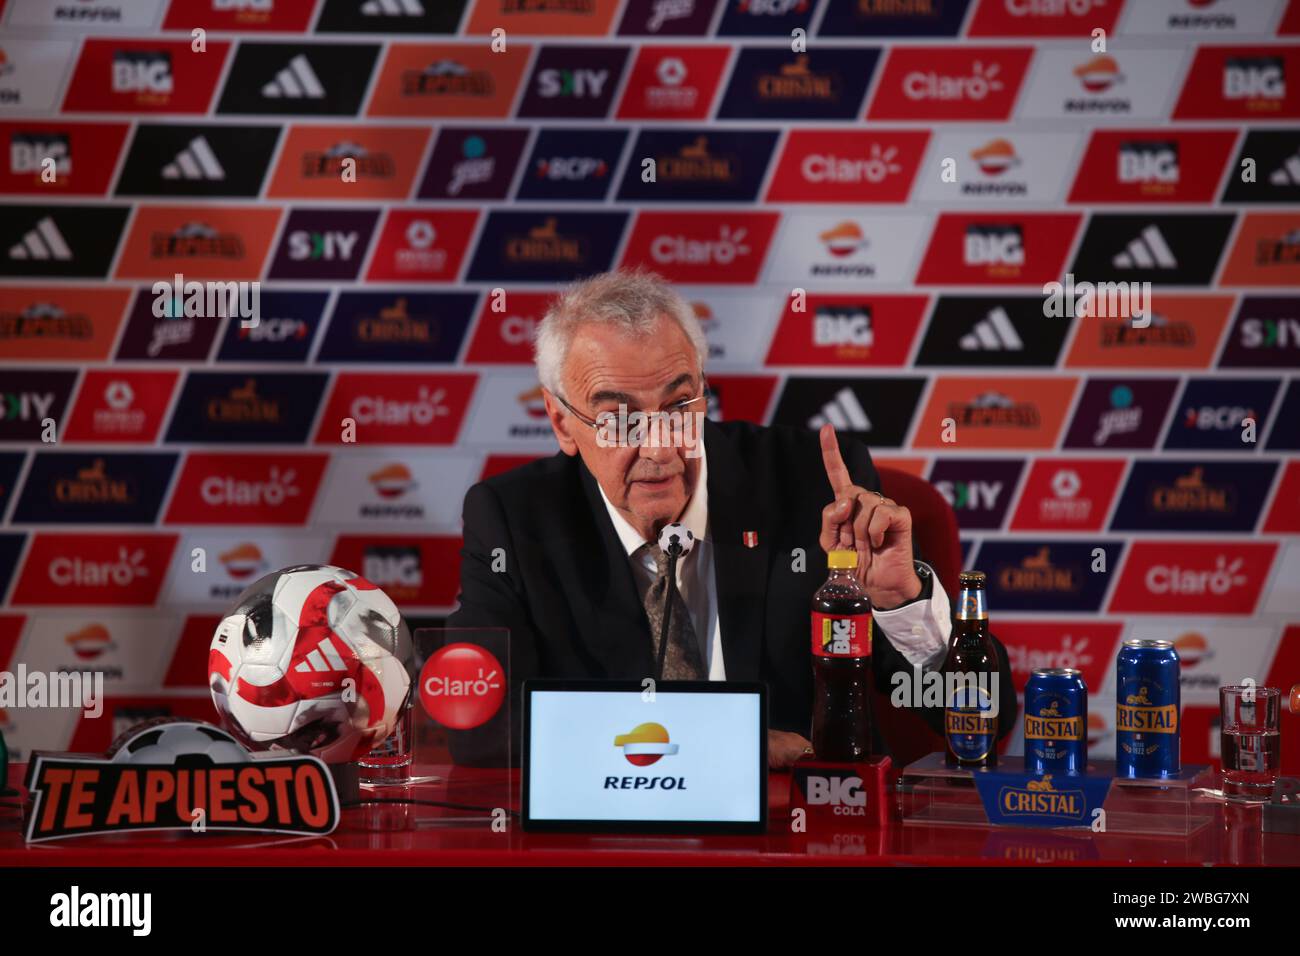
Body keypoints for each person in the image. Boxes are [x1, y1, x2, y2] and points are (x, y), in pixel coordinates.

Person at [446, 269, 1017, 767]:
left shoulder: (813, 488)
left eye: (679, 406)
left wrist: (900, 600)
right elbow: (481, 729)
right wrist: (723, 743)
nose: (659, 446)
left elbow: (979, 720)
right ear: (561, 422)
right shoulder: (515, 520)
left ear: (704, 392)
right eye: (618, 418)